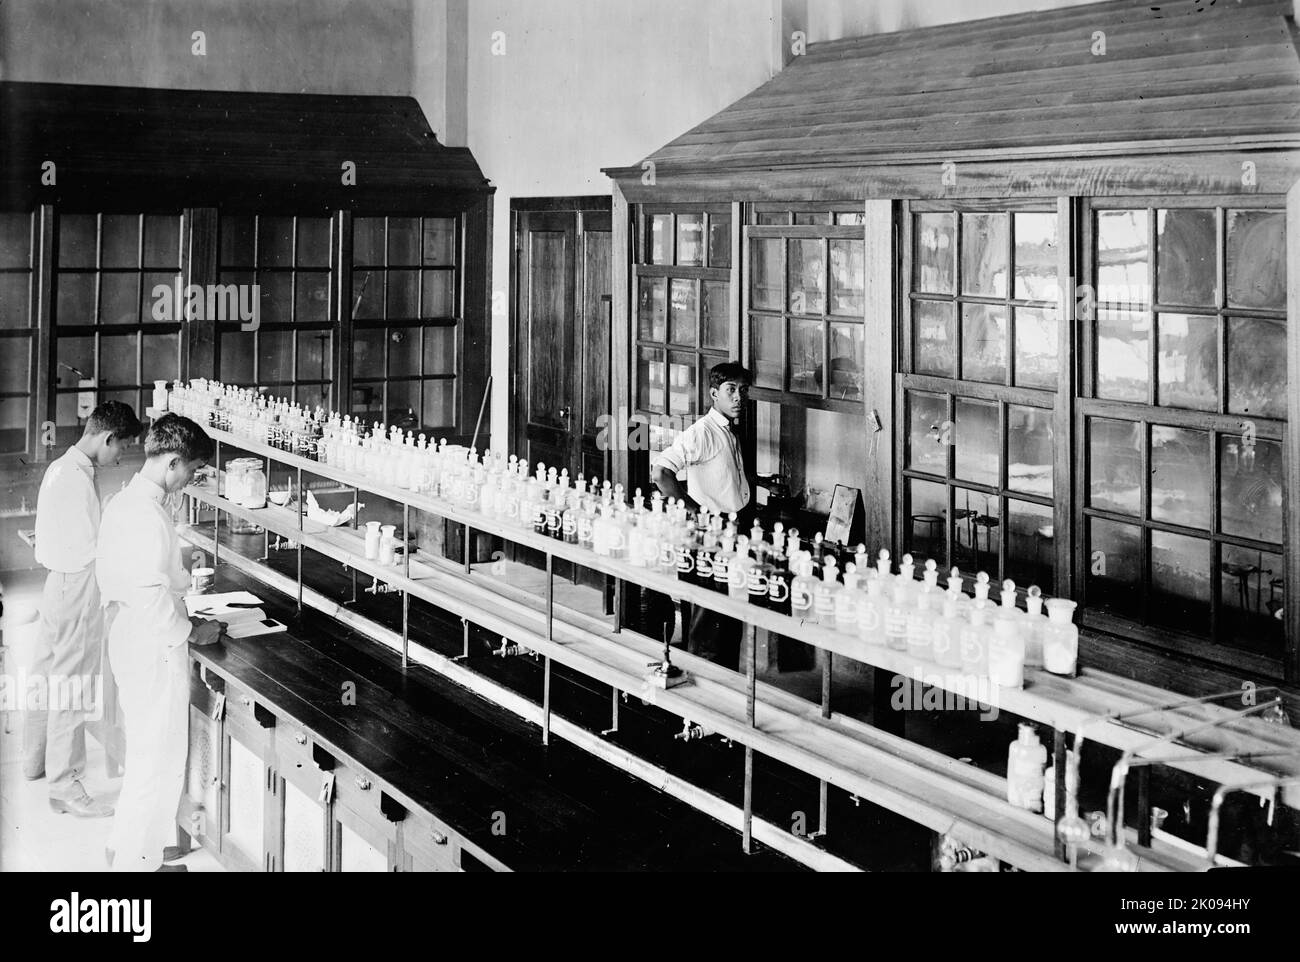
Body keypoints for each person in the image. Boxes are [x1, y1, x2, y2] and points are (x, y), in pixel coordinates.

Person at [97, 413, 224, 873]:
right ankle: (137, 867)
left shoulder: (125, 502)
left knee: (145, 753)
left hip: (130, 637)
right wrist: (194, 631)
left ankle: (128, 847)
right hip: (150, 646)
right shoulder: (147, 515)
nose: (191, 480)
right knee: (157, 757)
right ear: (172, 462)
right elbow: (151, 596)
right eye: (191, 470)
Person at [25, 400, 143, 817]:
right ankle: (66, 786)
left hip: (56, 582)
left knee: (46, 675)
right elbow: (92, 551)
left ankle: (35, 760)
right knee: (72, 686)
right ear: (108, 437)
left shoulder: (62, 467)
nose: (120, 456)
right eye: (122, 448)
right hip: (76, 584)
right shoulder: (76, 480)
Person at [650, 362, 753, 670]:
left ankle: (724, 691)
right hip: (711, 535)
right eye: (730, 390)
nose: (738, 397)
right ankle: (702, 701)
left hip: (732, 533)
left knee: (728, 619)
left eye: (743, 391)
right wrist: (694, 509)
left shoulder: (728, 432)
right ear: (713, 394)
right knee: (709, 623)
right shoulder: (701, 433)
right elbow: (661, 473)